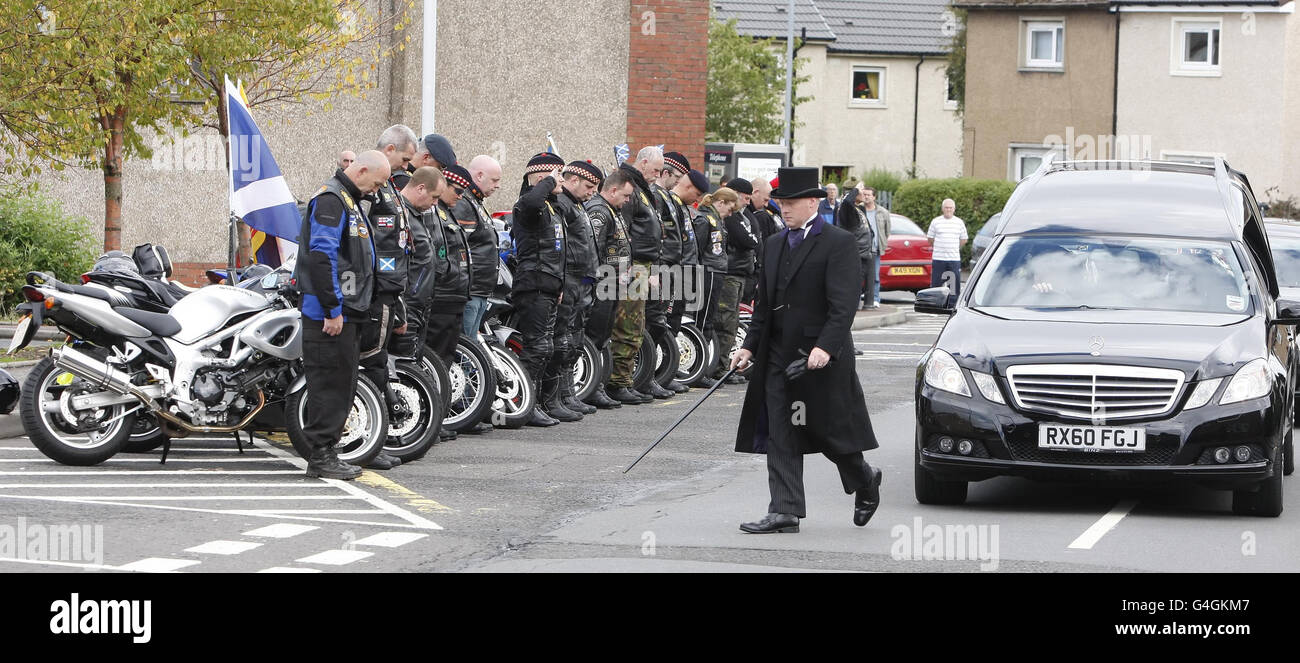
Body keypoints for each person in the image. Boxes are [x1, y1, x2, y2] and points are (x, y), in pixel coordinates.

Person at [730, 166, 883, 534]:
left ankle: (864, 478)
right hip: (778, 355)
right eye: (781, 201)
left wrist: (825, 348)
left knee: (827, 431)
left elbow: (843, 306)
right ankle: (784, 511)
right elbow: (764, 304)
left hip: (821, 358)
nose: (785, 208)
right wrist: (748, 347)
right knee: (781, 429)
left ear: (813, 202)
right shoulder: (774, 243)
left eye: (793, 202)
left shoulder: (838, 242)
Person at [294, 150, 390, 480]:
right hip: (330, 315)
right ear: (361, 170)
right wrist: (332, 309)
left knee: (343, 384)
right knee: (329, 386)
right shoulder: (332, 200)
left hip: (348, 312)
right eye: (376, 183)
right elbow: (322, 257)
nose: (377, 190)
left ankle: (328, 453)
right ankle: (321, 457)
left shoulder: (349, 199)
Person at [357, 124, 418, 471]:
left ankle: (373, 439)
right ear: (390, 150)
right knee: (372, 364)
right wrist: (386, 286)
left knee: (378, 362)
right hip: (377, 292)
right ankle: (369, 441)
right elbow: (376, 246)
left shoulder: (390, 189)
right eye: (406, 159)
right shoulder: (373, 190)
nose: (408, 166)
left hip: (389, 291)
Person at [608, 146, 671, 401]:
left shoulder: (643, 190)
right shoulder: (630, 188)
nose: (658, 174)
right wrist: (630, 266)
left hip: (645, 266)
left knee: (639, 325)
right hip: (633, 268)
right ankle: (618, 382)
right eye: (656, 169)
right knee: (627, 326)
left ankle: (633, 380)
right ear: (643, 163)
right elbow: (622, 231)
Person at [511, 152, 568, 426]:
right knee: (536, 347)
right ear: (540, 177)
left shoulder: (552, 207)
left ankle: (539, 402)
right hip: (532, 285)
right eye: (558, 175)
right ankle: (526, 404)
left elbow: (558, 251)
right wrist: (546, 182)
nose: (561, 181)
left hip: (548, 285)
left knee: (547, 347)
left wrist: (558, 284)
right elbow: (531, 201)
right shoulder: (528, 204)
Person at [426, 164, 478, 437]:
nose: (460, 196)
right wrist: (446, 274)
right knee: (434, 359)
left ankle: (440, 416)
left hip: (455, 295)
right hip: (442, 296)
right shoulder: (433, 213)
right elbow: (435, 254)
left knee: (444, 360)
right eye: (457, 190)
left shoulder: (446, 213)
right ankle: (432, 420)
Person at [550, 160, 604, 420]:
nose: (593, 191)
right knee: (562, 340)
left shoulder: (578, 206)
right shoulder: (563, 205)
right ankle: (555, 398)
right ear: (571, 180)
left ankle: (568, 393)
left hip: (583, 280)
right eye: (589, 185)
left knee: (575, 340)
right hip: (569, 278)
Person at [584, 168, 637, 407]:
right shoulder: (599, 211)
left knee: (604, 336)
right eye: (625, 196)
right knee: (595, 336)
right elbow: (593, 249)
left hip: (614, 283)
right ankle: (591, 387)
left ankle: (598, 386)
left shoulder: (611, 210)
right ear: (613, 190)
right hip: (603, 283)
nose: (627, 201)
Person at [650, 152, 690, 394]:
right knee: (656, 322)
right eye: (675, 177)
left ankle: (660, 375)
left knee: (667, 320)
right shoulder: (656, 196)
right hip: (662, 266)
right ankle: (650, 377)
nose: (678, 183)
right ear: (665, 173)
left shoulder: (668, 198)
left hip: (673, 266)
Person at [693, 186, 739, 388]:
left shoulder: (716, 219)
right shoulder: (705, 219)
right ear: (720, 202)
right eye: (729, 209)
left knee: (708, 322)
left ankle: (703, 369)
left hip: (717, 271)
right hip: (708, 272)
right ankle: (697, 371)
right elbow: (698, 250)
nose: (730, 214)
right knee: (702, 322)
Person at [717, 177, 758, 384]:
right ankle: (720, 368)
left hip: (740, 274)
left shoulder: (743, 216)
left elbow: (754, 239)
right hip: (730, 275)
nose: (748, 202)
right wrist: (751, 238)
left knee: (731, 322)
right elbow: (747, 240)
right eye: (746, 197)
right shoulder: (732, 217)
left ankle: (724, 367)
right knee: (725, 322)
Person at [457, 155, 503, 338]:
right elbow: (459, 246)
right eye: (495, 180)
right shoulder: (464, 202)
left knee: (473, 344)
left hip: (480, 291)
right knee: (467, 348)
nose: (497, 185)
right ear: (480, 175)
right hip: (470, 291)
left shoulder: (475, 202)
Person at [927, 198, 968, 298]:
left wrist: (954, 247)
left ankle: (952, 305)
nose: (948, 210)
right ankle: (935, 305)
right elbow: (930, 238)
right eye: (946, 208)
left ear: (954, 209)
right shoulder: (935, 222)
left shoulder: (959, 222)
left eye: (950, 208)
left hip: (953, 260)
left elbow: (964, 239)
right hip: (938, 259)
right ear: (942, 209)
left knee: (953, 287)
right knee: (936, 285)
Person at [861, 186, 891, 308]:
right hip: (861, 248)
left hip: (875, 249)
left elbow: (887, 230)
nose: (866, 197)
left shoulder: (882, 212)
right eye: (864, 194)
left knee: (875, 276)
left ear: (874, 197)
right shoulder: (859, 210)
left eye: (868, 195)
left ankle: (875, 298)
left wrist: (881, 242)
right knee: (859, 275)